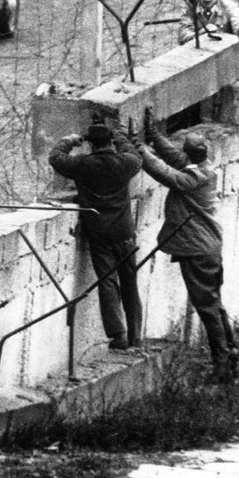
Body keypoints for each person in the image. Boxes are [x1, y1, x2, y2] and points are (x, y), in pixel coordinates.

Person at [139, 107, 239, 382]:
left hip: (198, 249)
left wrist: (139, 149)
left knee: (206, 306)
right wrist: (153, 136)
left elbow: (166, 174)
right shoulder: (203, 168)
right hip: (206, 247)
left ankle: (222, 362)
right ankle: (230, 352)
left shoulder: (195, 177)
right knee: (213, 303)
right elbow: (174, 158)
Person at [48, 121, 144, 350]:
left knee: (108, 281)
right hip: (124, 230)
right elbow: (135, 154)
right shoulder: (125, 163)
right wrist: (121, 136)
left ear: (90, 144)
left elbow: (56, 157)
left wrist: (70, 140)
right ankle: (136, 335)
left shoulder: (83, 164)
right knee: (130, 282)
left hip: (99, 231)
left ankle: (118, 335)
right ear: (110, 141)